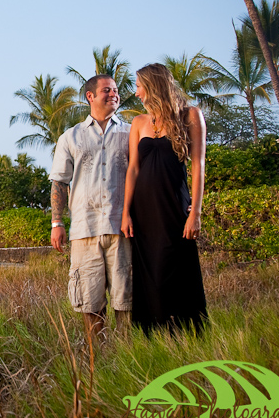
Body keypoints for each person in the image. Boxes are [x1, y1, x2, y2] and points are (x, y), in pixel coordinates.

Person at [121, 63, 208, 334]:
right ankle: (153, 333)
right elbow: (133, 169)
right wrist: (126, 212)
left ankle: (186, 331)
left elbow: (198, 165)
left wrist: (195, 213)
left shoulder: (190, 115)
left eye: (139, 86)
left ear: (153, 85)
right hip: (143, 210)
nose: (136, 93)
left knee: (177, 265)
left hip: (174, 205)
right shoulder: (139, 122)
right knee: (150, 271)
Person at [50, 75, 131, 343]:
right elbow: (59, 182)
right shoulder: (71, 137)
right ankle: (98, 354)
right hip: (84, 229)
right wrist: (57, 223)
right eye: (107, 90)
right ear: (90, 96)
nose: (114, 95)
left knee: (126, 299)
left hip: (123, 229)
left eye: (116, 90)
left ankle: (127, 353)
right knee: (89, 301)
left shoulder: (131, 133)